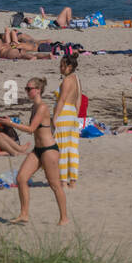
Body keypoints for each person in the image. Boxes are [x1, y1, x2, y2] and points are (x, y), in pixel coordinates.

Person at [4, 77, 70, 225]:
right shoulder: (34, 107)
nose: (27, 91)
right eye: (26, 89)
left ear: (38, 90)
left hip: (49, 150)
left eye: (29, 89)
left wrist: (11, 124)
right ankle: (24, 214)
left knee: (54, 185)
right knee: (21, 178)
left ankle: (64, 218)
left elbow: (31, 129)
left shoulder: (42, 107)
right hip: (38, 149)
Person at [54, 53, 83, 187]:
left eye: (62, 66)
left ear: (69, 67)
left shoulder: (66, 80)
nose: (60, 68)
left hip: (64, 113)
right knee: (72, 148)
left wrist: (55, 117)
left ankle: (63, 181)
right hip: (72, 113)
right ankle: (73, 180)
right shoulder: (76, 78)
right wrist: (75, 114)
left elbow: (62, 100)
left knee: (62, 147)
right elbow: (79, 99)